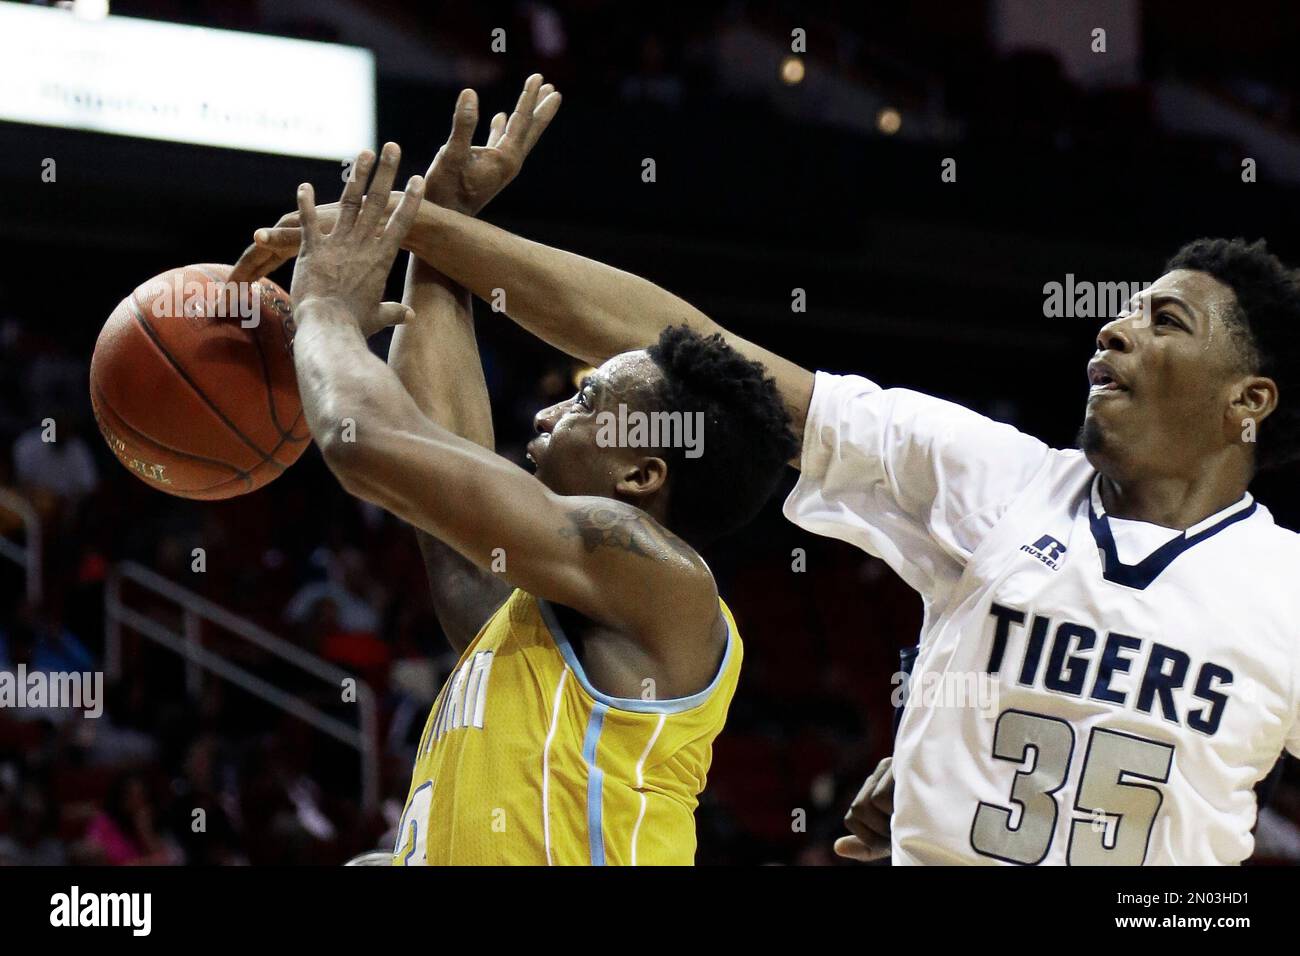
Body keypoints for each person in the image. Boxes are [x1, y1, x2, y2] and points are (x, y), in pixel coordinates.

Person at [243, 83, 1300, 865]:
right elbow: (698, 350)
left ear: (1248, 400)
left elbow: (379, 444)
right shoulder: (995, 478)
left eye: (1164, 320)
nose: (1112, 327)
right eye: (1122, 307)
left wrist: (361, 270)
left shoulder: (1283, 591)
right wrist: (433, 233)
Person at [269, 83, 797, 864]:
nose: (548, 413)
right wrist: (441, 233)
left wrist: (324, 309)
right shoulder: (540, 614)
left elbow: (366, 441)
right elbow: (445, 502)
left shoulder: (666, 580)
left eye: (585, 400)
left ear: (641, 473)